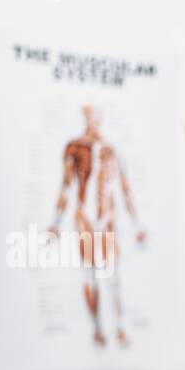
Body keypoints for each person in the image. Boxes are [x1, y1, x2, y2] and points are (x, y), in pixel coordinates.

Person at [47, 105, 146, 348]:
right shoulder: (75, 147)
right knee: (90, 275)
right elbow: (66, 185)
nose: (93, 120)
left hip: (106, 220)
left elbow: (124, 188)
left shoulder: (111, 151)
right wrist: (56, 223)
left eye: (96, 116)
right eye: (89, 116)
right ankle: (97, 328)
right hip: (85, 221)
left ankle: (120, 327)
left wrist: (137, 225)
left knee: (113, 276)